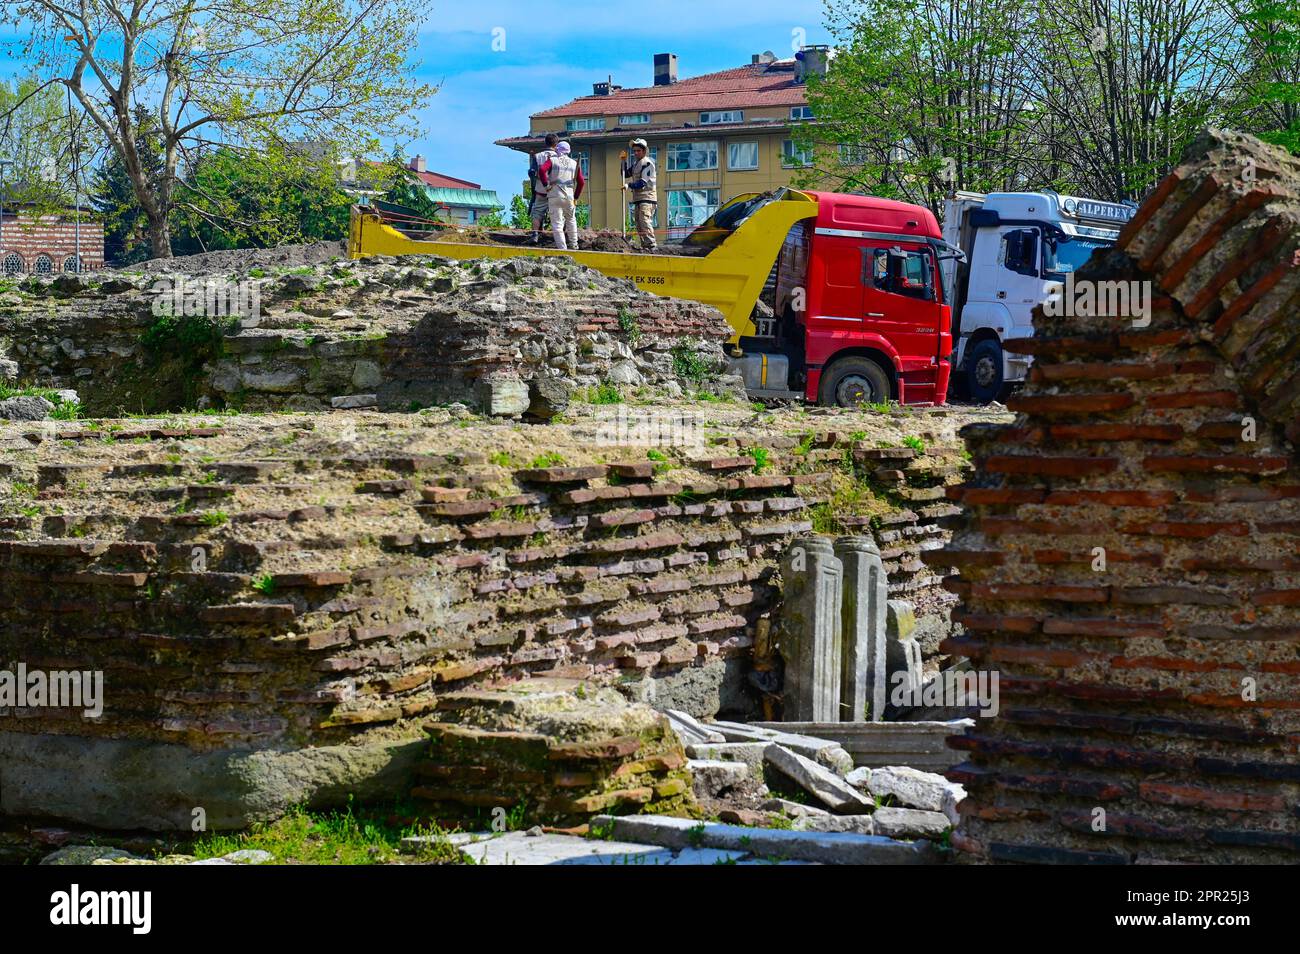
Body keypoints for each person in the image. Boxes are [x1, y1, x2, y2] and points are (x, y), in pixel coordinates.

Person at [538, 141, 585, 250]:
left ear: (557, 149)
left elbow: (541, 170)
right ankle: (574, 245)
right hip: (569, 196)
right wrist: (576, 197)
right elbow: (581, 182)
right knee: (571, 220)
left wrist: (546, 186)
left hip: (554, 195)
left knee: (557, 224)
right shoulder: (574, 163)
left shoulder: (552, 160)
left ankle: (562, 249)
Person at [621, 138, 657, 249]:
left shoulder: (647, 163)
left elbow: (642, 183)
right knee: (638, 222)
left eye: (638, 151)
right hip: (638, 198)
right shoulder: (637, 164)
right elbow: (625, 174)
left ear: (644, 151)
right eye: (635, 151)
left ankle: (651, 244)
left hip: (647, 198)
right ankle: (645, 245)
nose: (636, 153)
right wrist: (623, 161)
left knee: (644, 221)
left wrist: (629, 185)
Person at [527, 133, 559, 244]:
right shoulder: (560, 157)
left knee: (537, 213)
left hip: (541, 190)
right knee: (557, 214)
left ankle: (535, 234)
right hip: (556, 191)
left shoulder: (538, 156)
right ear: (556, 144)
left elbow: (532, 172)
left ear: (545, 143)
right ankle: (558, 237)